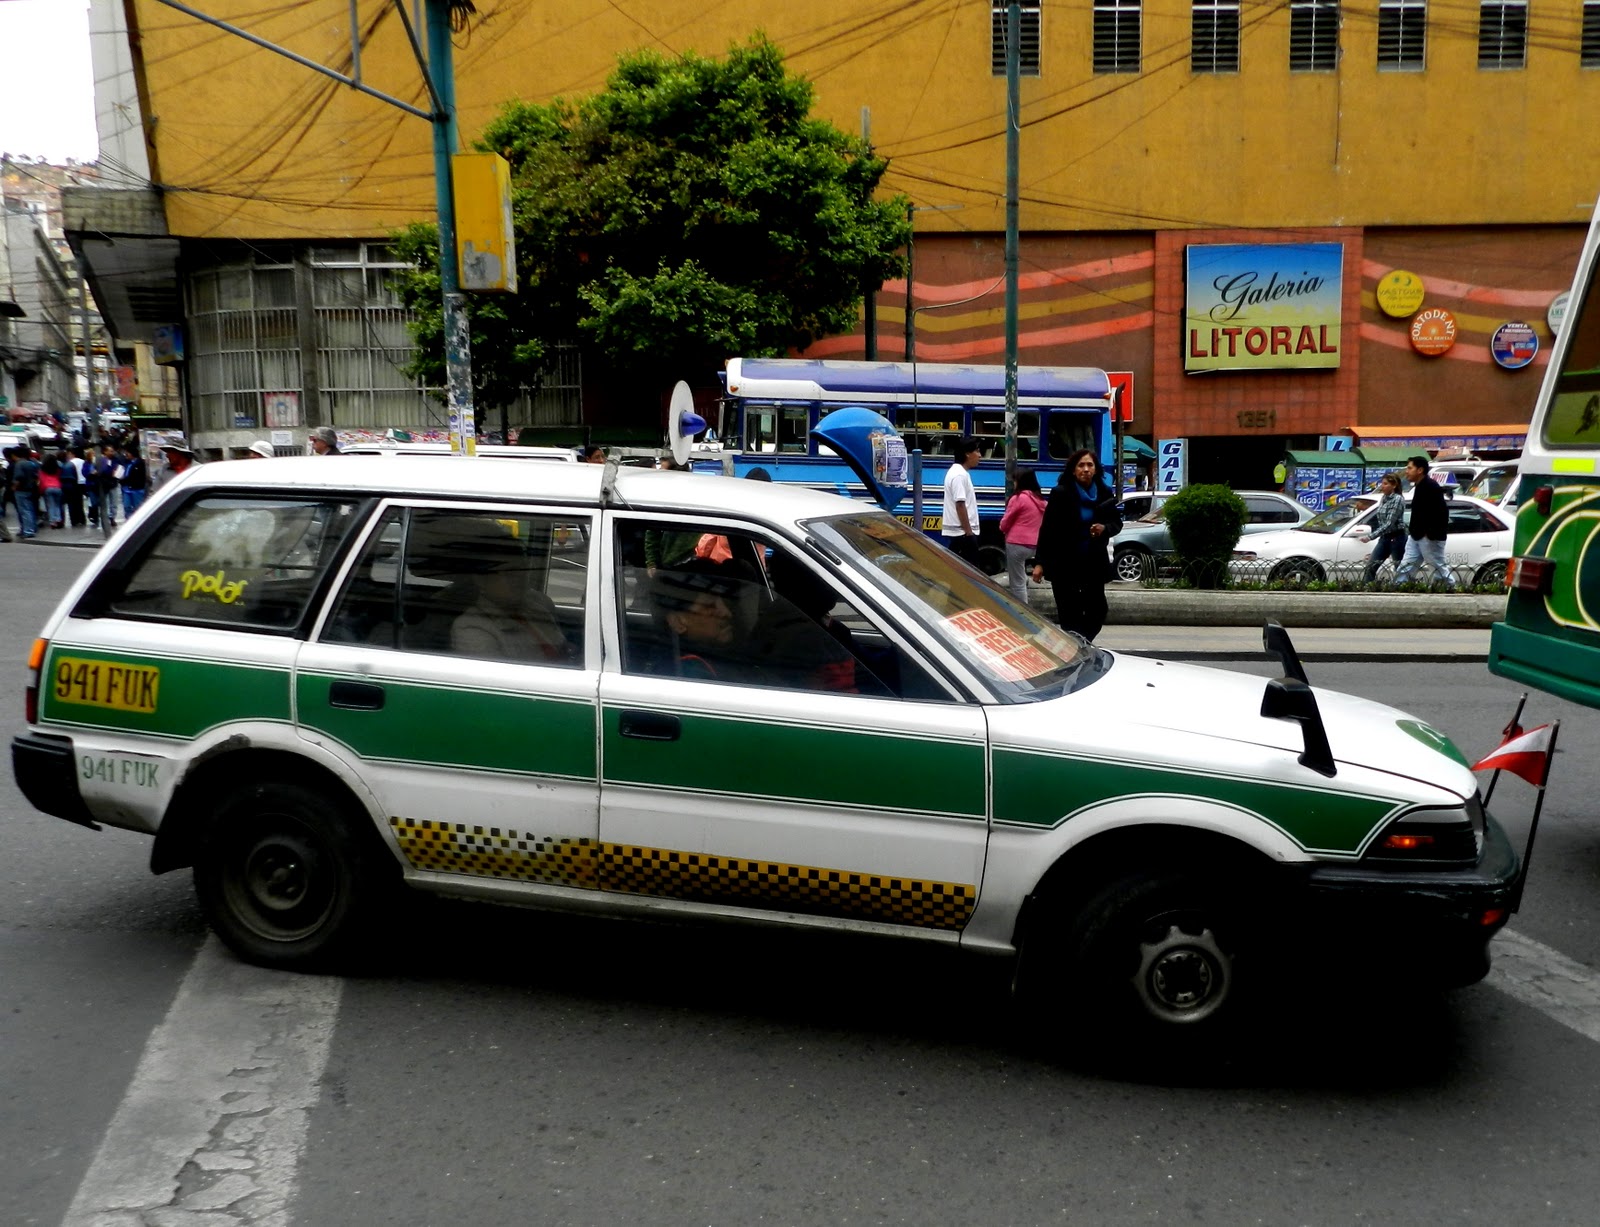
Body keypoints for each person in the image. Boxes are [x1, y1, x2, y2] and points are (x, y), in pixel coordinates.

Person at [1031, 448, 1122, 641]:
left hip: (1093, 562)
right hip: (1064, 562)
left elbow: (1116, 523)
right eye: (1081, 465)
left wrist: (1104, 528)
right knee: (1069, 612)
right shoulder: (1061, 493)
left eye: (1090, 465)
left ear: (1096, 469)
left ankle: (1081, 643)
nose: (1086, 469)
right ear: (1073, 470)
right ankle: (1076, 647)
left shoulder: (1104, 492)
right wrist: (1040, 563)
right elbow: (1047, 530)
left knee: (1098, 610)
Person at [1393, 454, 1455, 589]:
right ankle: (1399, 586)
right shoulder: (1419, 486)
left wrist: (1430, 534)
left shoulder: (1431, 487)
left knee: (1437, 565)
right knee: (1407, 564)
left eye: (1410, 468)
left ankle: (1449, 588)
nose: (1407, 472)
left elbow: (1441, 513)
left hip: (1429, 537)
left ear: (1420, 470)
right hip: (1415, 535)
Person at [998, 470, 1047, 605]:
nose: (1014, 484)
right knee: (1022, 577)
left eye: (1015, 481)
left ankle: (1021, 612)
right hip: (1035, 545)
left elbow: (1006, 521)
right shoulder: (1041, 500)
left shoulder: (1018, 498)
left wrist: (1002, 528)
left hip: (1016, 543)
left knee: (1017, 582)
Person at [941, 437, 984, 565]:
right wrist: (969, 533)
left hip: (961, 533)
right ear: (967, 453)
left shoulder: (958, 472)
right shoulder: (959, 475)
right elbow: (960, 504)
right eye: (977, 451)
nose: (980, 456)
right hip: (962, 533)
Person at [1361, 472, 1407, 585]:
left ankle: (1402, 588)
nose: (1382, 486)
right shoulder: (1384, 498)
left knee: (1399, 567)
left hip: (1397, 537)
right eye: (1382, 483)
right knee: (1371, 565)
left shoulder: (1398, 499)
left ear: (1394, 485)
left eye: (1386, 484)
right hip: (1384, 538)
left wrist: (1370, 537)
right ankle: (1367, 587)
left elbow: (1389, 523)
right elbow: (1379, 519)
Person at [10, 446, 41, 539]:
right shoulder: (31, 463)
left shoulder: (19, 464)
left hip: (21, 490)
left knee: (24, 511)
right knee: (30, 509)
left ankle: (28, 530)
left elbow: (18, 477)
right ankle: (32, 528)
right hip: (31, 489)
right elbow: (36, 476)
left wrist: (14, 487)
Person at [118, 444, 149, 520]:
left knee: (138, 507)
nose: (126, 455)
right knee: (126, 506)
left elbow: (141, 477)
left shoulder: (140, 463)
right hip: (126, 488)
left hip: (136, 489)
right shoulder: (126, 462)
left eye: (128, 453)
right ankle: (128, 520)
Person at [59, 448, 86, 527]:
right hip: (82, 483)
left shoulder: (69, 463)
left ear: (71, 453)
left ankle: (74, 520)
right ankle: (82, 519)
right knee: (80, 503)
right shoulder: (82, 461)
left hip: (73, 484)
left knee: (72, 503)